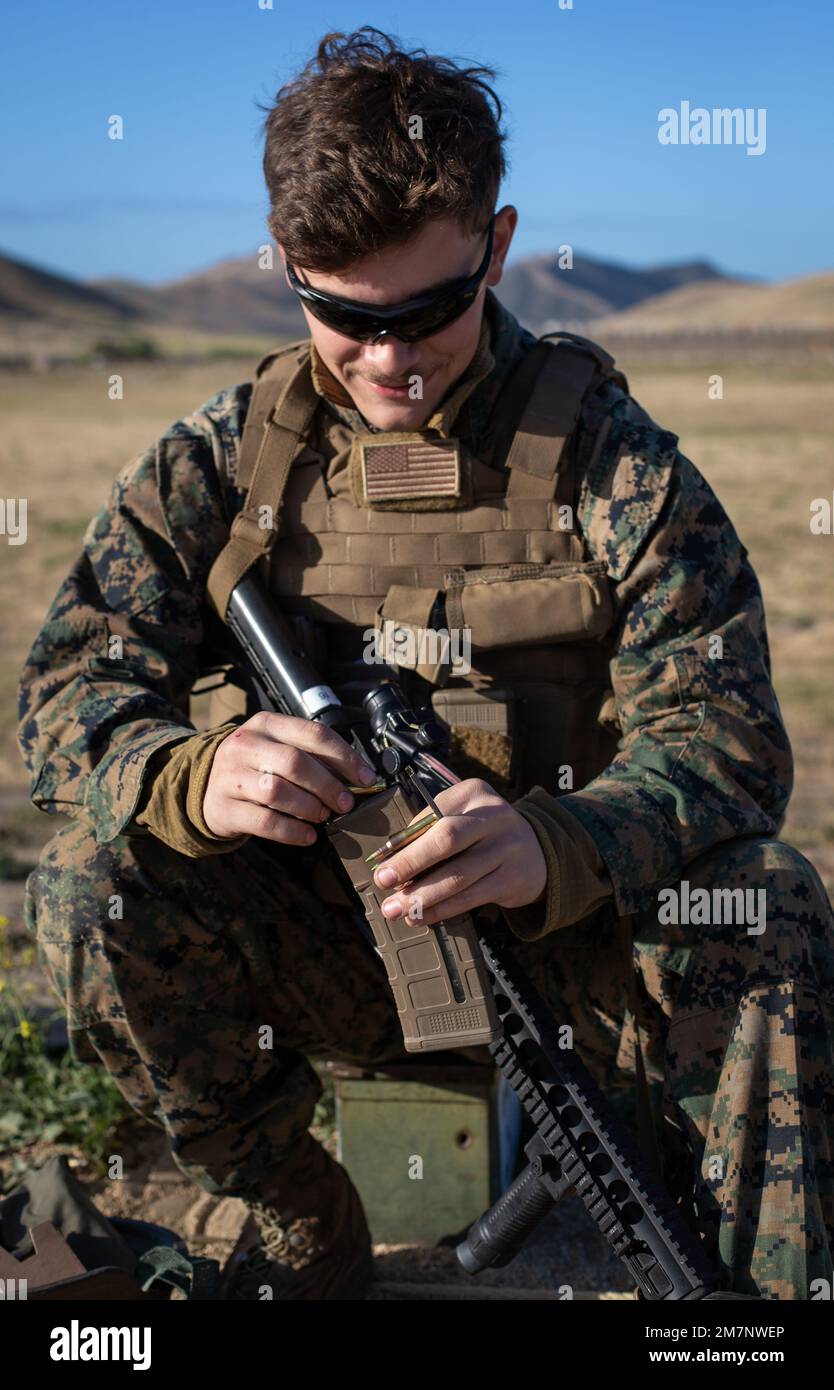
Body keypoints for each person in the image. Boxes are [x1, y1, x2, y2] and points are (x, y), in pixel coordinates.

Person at [18, 28, 834, 1301]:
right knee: (84, 881)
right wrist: (193, 769)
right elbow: (67, 694)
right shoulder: (224, 462)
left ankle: (753, 1287)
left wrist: (561, 841)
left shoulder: (611, 461)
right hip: (326, 952)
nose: (392, 357)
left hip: (572, 959)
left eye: (431, 309)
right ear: (286, 269)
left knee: (765, 901)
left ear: (497, 246)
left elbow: (729, 742)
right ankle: (298, 1223)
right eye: (344, 314)